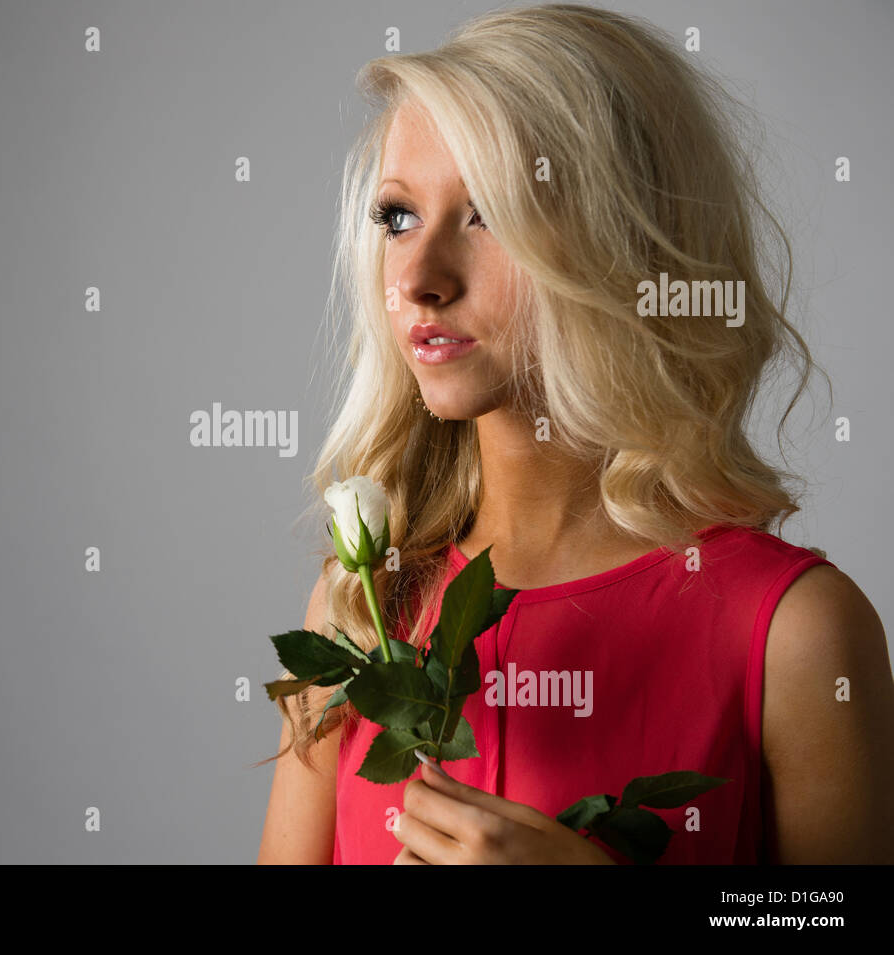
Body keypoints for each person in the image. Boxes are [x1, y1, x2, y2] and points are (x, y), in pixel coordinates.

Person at [256, 3, 894, 865]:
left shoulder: (797, 630)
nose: (417, 277)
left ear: (623, 243)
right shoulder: (361, 606)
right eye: (398, 216)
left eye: (488, 212)